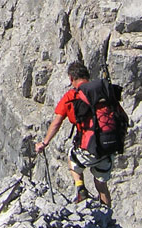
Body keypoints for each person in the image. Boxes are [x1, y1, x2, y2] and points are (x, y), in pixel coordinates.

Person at [35, 61, 114, 207]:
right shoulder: (103, 92)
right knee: (102, 185)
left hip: (88, 148)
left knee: (72, 158)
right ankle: (107, 216)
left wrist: (44, 143)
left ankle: (80, 187)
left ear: (71, 78)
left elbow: (57, 122)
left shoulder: (72, 96)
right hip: (108, 147)